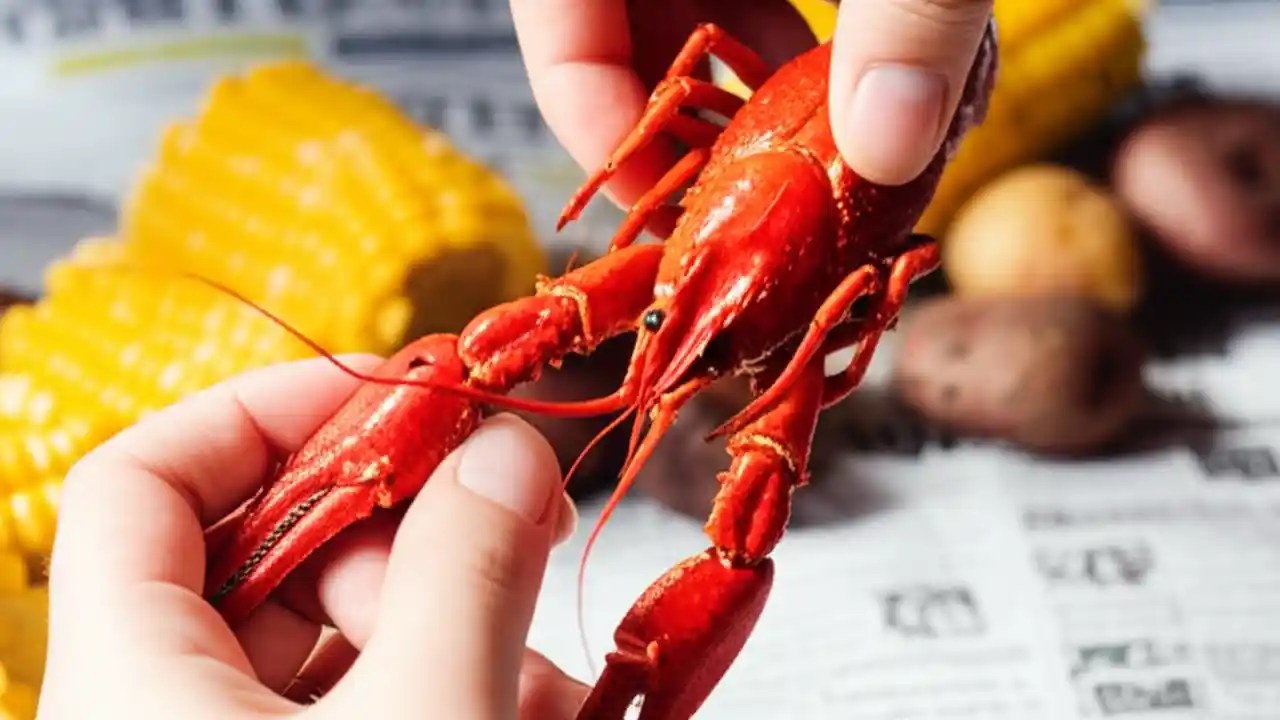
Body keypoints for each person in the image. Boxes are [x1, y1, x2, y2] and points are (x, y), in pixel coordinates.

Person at [36, 2, 995, 718]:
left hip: (894, 98)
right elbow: (695, 72)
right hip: (767, 177)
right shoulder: (676, 258)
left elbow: (740, 541)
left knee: (736, 539)